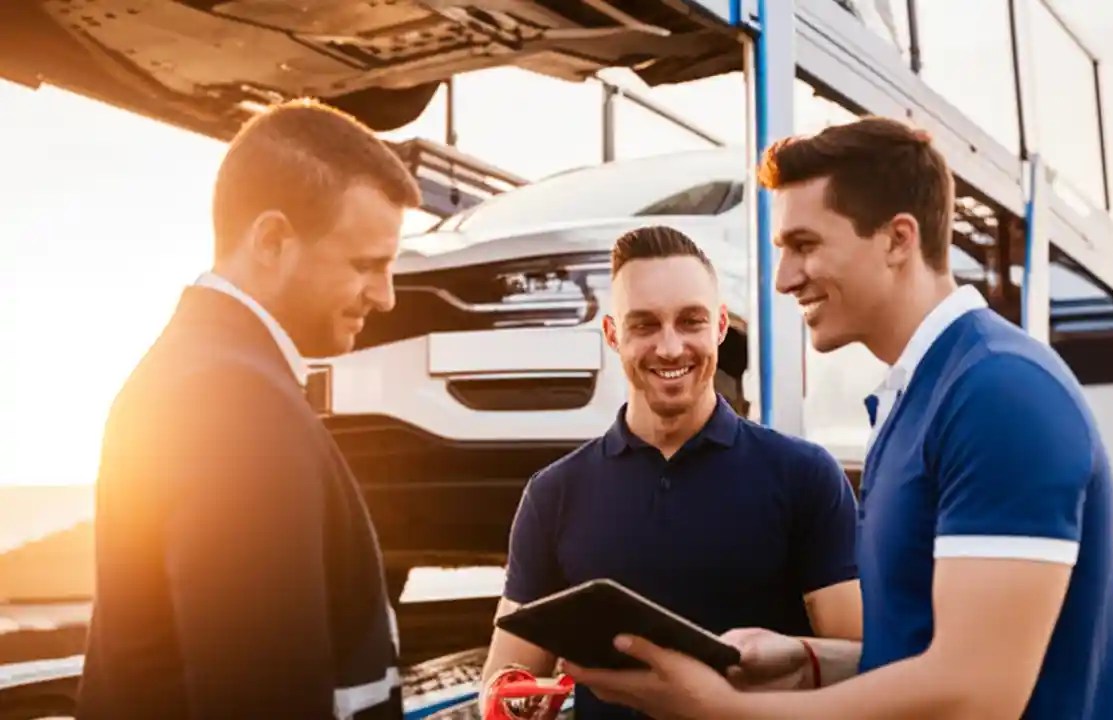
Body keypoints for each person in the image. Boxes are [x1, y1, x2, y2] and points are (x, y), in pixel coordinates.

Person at [562, 118, 1113, 719]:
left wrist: (717, 710)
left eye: (804, 245)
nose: (783, 279)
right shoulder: (920, 397)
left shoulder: (1002, 393)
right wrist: (805, 659)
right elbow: (918, 655)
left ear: (897, 240)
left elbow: (974, 694)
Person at [77, 99, 422, 719]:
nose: (387, 296)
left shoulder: (201, 374)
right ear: (271, 241)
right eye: (366, 265)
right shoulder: (233, 406)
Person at [479, 225, 862, 718]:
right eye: (644, 325)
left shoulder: (804, 476)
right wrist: (521, 699)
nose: (670, 347)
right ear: (613, 334)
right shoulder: (554, 493)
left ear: (720, 326)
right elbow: (505, 679)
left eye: (690, 322)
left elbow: (864, 667)